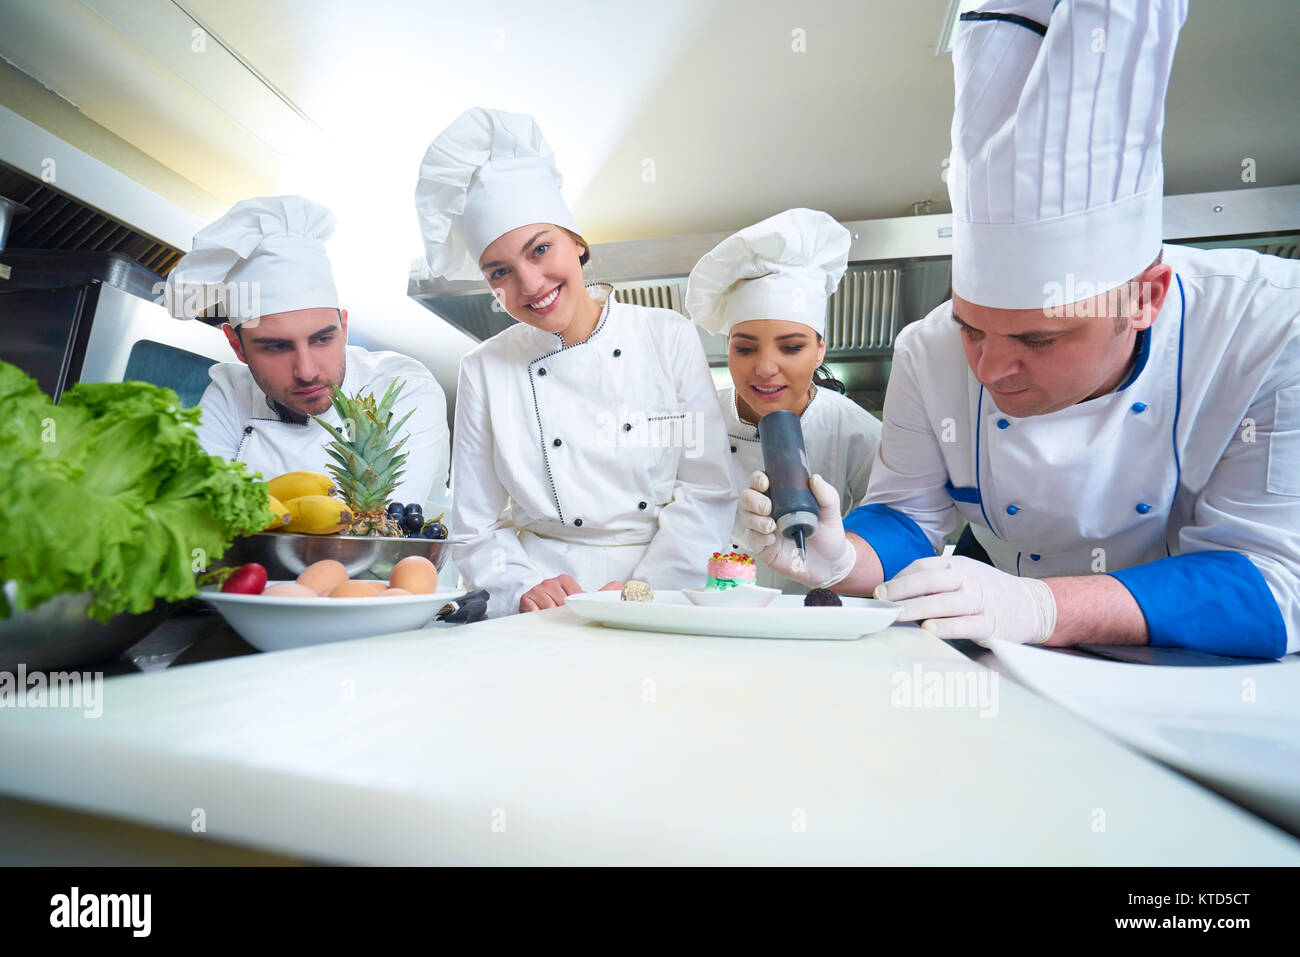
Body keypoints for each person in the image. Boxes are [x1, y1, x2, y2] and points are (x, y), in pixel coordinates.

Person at [740, 0, 1299, 658]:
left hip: (1200, 669)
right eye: (972, 327)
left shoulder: (1268, 330)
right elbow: (908, 519)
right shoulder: (929, 353)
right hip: (1028, 658)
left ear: (1146, 297)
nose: (987, 369)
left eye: (1039, 339)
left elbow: (1271, 579)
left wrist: (1043, 602)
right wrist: (839, 556)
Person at [415, 108, 735, 618]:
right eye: (501, 271)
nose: (530, 284)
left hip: (666, 588)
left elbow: (707, 489)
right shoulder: (483, 367)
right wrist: (519, 586)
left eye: (540, 250)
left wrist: (646, 593)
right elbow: (474, 525)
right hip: (544, 601)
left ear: (578, 242)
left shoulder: (666, 335)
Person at [165, 195, 450, 509]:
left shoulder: (404, 389)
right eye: (277, 347)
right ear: (237, 346)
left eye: (322, 339)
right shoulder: (230, 392)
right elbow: (195, 511)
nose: (307, 371)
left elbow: (383, 529)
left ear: (343, 326)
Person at [685, 207, 881, 591]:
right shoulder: (695, 423)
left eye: (791, 348)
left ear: (820, 350)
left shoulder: (859, 434)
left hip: (813, 622)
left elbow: (889, 537)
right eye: (745, 349)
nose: (765, 368)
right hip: (709, 621)